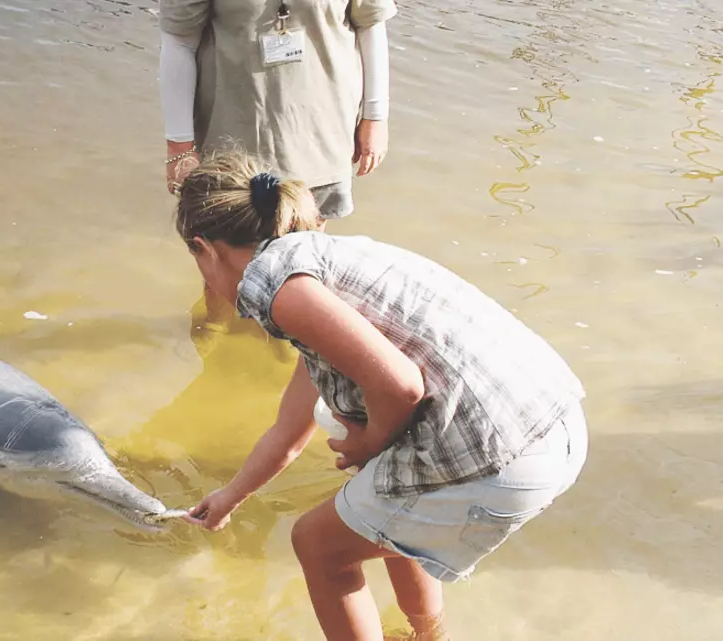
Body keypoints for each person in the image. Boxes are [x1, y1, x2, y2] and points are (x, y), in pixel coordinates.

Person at [173, 152, 588, 641]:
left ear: (205, 249)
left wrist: (371, 440)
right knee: (380, 511)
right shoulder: (320, 264)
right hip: (554, 427)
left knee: (317, 545)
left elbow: (401, 385)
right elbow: (289, 432)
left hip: (500, 454)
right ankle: (427, 635)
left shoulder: (271, 285)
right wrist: (228, 498)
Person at [158, 0, 396, 218]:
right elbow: (180, 40)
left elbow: (371, 23)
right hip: (232, 149)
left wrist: (375, 117)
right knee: (235, 253)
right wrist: (180, 146)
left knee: (305, 253)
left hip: (323, 138)